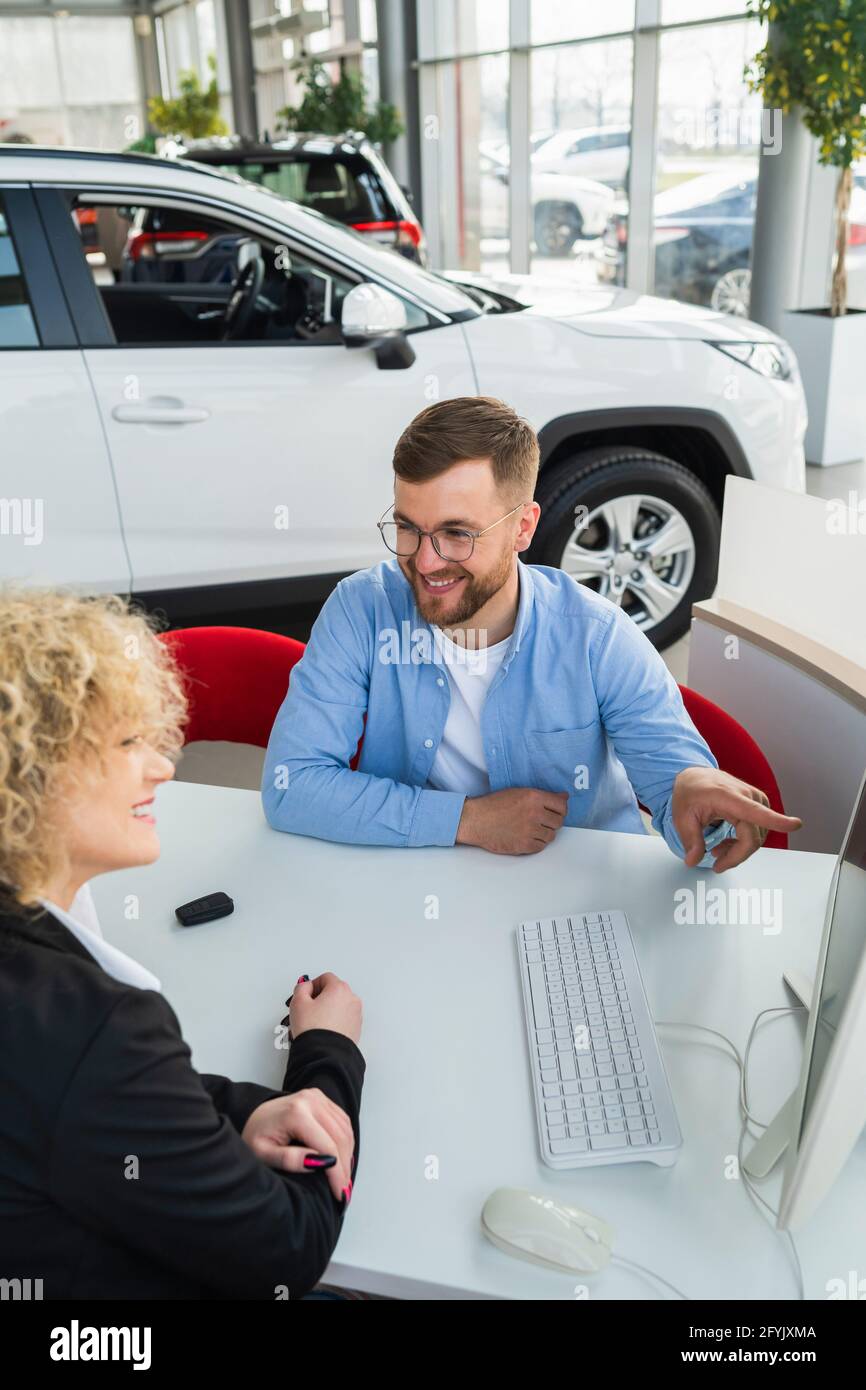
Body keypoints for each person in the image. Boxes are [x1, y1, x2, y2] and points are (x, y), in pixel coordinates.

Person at [0, 587, 364, 1300]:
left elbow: (71, 1101)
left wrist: (236, 1113)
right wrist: (329, 1059)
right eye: (127, 744)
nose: (164, 767)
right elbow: (285, 1252)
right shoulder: (98, 1028)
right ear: (33, 774)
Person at [262, 396, 800, 870]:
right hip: (417, 876)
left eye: (456, 533)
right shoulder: (361, 609)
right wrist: (467, 821)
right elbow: (292, 787)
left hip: (577, 900)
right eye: (407, 527)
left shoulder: (597, 635)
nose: (425, 561)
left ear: (523, 528)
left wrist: (694, 798)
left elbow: (683, 796)